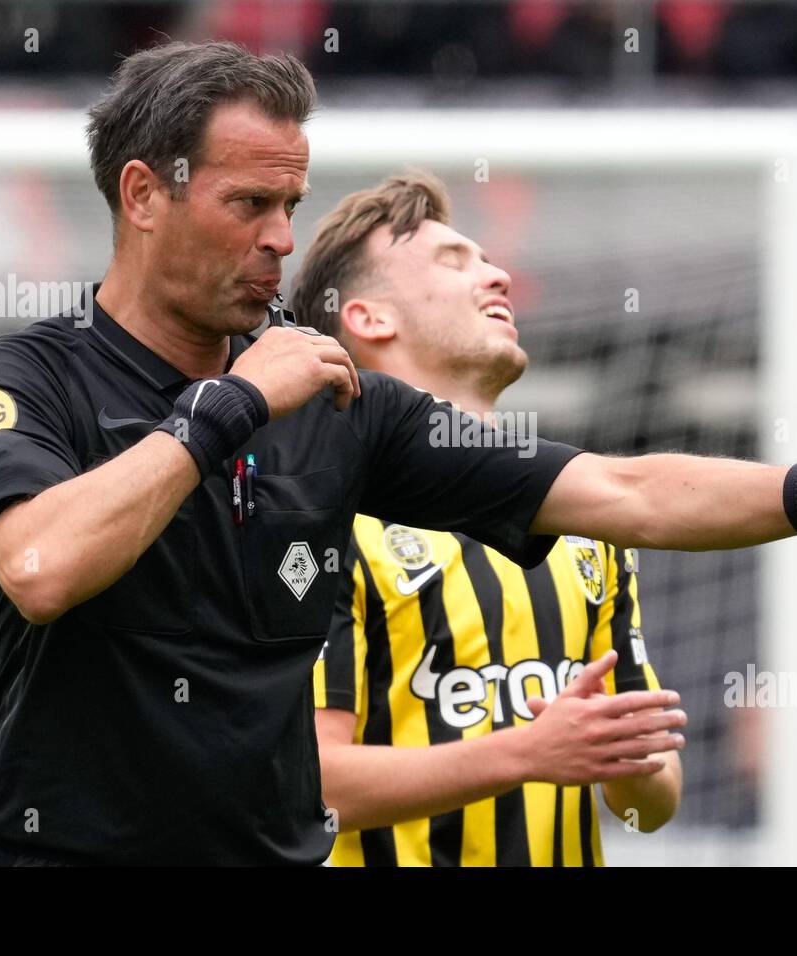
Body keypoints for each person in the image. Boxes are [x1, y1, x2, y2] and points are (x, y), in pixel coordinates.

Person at [0, 40, 797, 866]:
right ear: (143, 194)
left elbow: (629, 488)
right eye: (249, 203)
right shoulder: (31, 378)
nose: (281, 237)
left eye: (290, 203)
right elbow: (39, 568)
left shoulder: (339, 409)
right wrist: (228, 403)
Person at [298, 172, 682, 866]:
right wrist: (526, 753)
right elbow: (314, 786)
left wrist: (625, 760)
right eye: (454, 261)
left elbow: (648, 807)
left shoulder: (585, 530)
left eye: (486, 258)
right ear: (369, 318)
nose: (497, 275)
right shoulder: (325, 521)